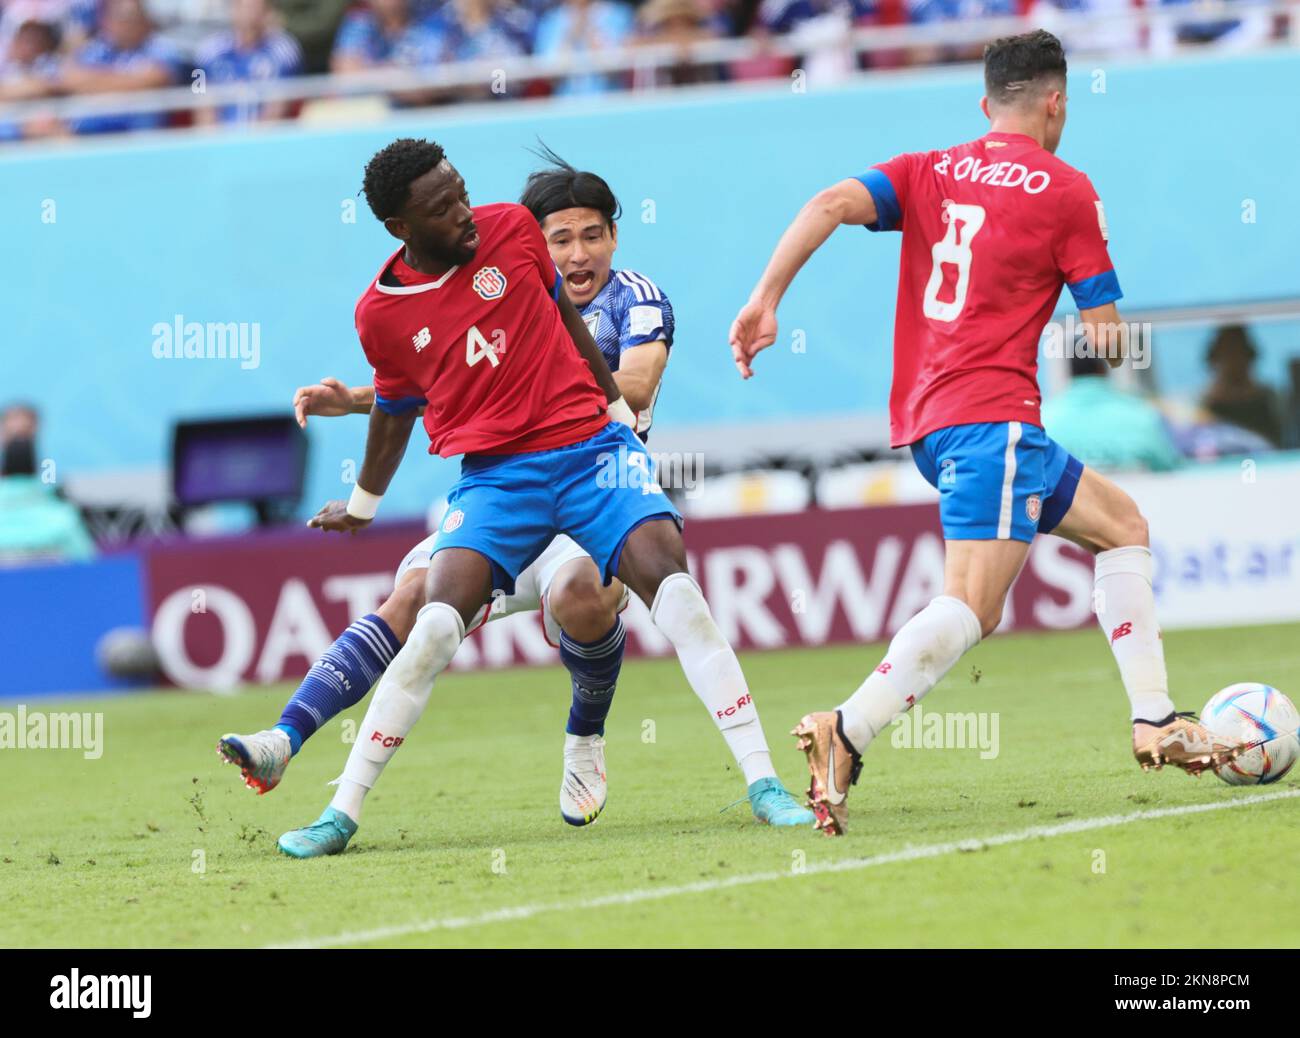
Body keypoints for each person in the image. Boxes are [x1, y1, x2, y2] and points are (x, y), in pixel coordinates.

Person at [729, 29, 1241, 836]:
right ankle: (847, 730)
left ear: (985, 104)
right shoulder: (1067, 189)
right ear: (1056, 100)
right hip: (992, 418)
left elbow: (827, 203)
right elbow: (1106, 338)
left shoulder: (926, 169)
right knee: (974, 605)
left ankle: (1154, 716)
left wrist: (765, 299)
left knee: (1122, 528)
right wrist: (1094, 287)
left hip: (936, 421)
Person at [258, 138, 810, 856]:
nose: (464, 213)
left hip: (592, 455)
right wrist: (361, 504)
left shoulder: (519, 237)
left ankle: (763, 783)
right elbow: (403, 401)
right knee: (428, 622)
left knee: (675, 591)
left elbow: (565, 323)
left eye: (462, 192)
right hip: (498, 478)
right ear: (401, 228)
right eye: (442, 207)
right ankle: (339, 810)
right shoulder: (381, 314)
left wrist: (612, 411)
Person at [1041, 352, 1182, 472]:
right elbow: (1169, 466)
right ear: (1103, 368)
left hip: (1070, 503)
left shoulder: (1044, 419)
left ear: (1070, 371)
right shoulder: (1141, 414)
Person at [60, 0, 180, 136]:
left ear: (145, 19)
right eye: (118, 18)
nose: (126, 24)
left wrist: (94, 86)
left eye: (130, 18)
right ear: (106, 22)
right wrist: (127, 84)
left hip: (140, 126)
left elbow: (156, 78)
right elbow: (70, 79)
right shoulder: (98, 49)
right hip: (95, 124)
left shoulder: (159, 47)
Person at [0, 404, 96, 566]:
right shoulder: (63, 520)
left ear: (36, 429)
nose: (19, 436)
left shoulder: (47, 466)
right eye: (12, 429)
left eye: (26, 429)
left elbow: (50, 496)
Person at [194, 0, 304, 125]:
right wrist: (215, 142)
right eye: (242, 5)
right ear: (232, 9)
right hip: (220, 138)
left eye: (254, 6)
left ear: (268, 12)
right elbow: (201, 101)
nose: (248, 12)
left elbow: (277, 106)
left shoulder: (284, 50)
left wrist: (253, 142)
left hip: (264, 139)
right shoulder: (207, 51)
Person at [1199, 323, 1282, 447]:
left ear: (1249, 357)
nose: (1234, 361)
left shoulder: (1271, 398)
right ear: (1215, 359)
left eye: (1239, 352)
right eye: (1228, 353)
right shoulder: (1202, 404)